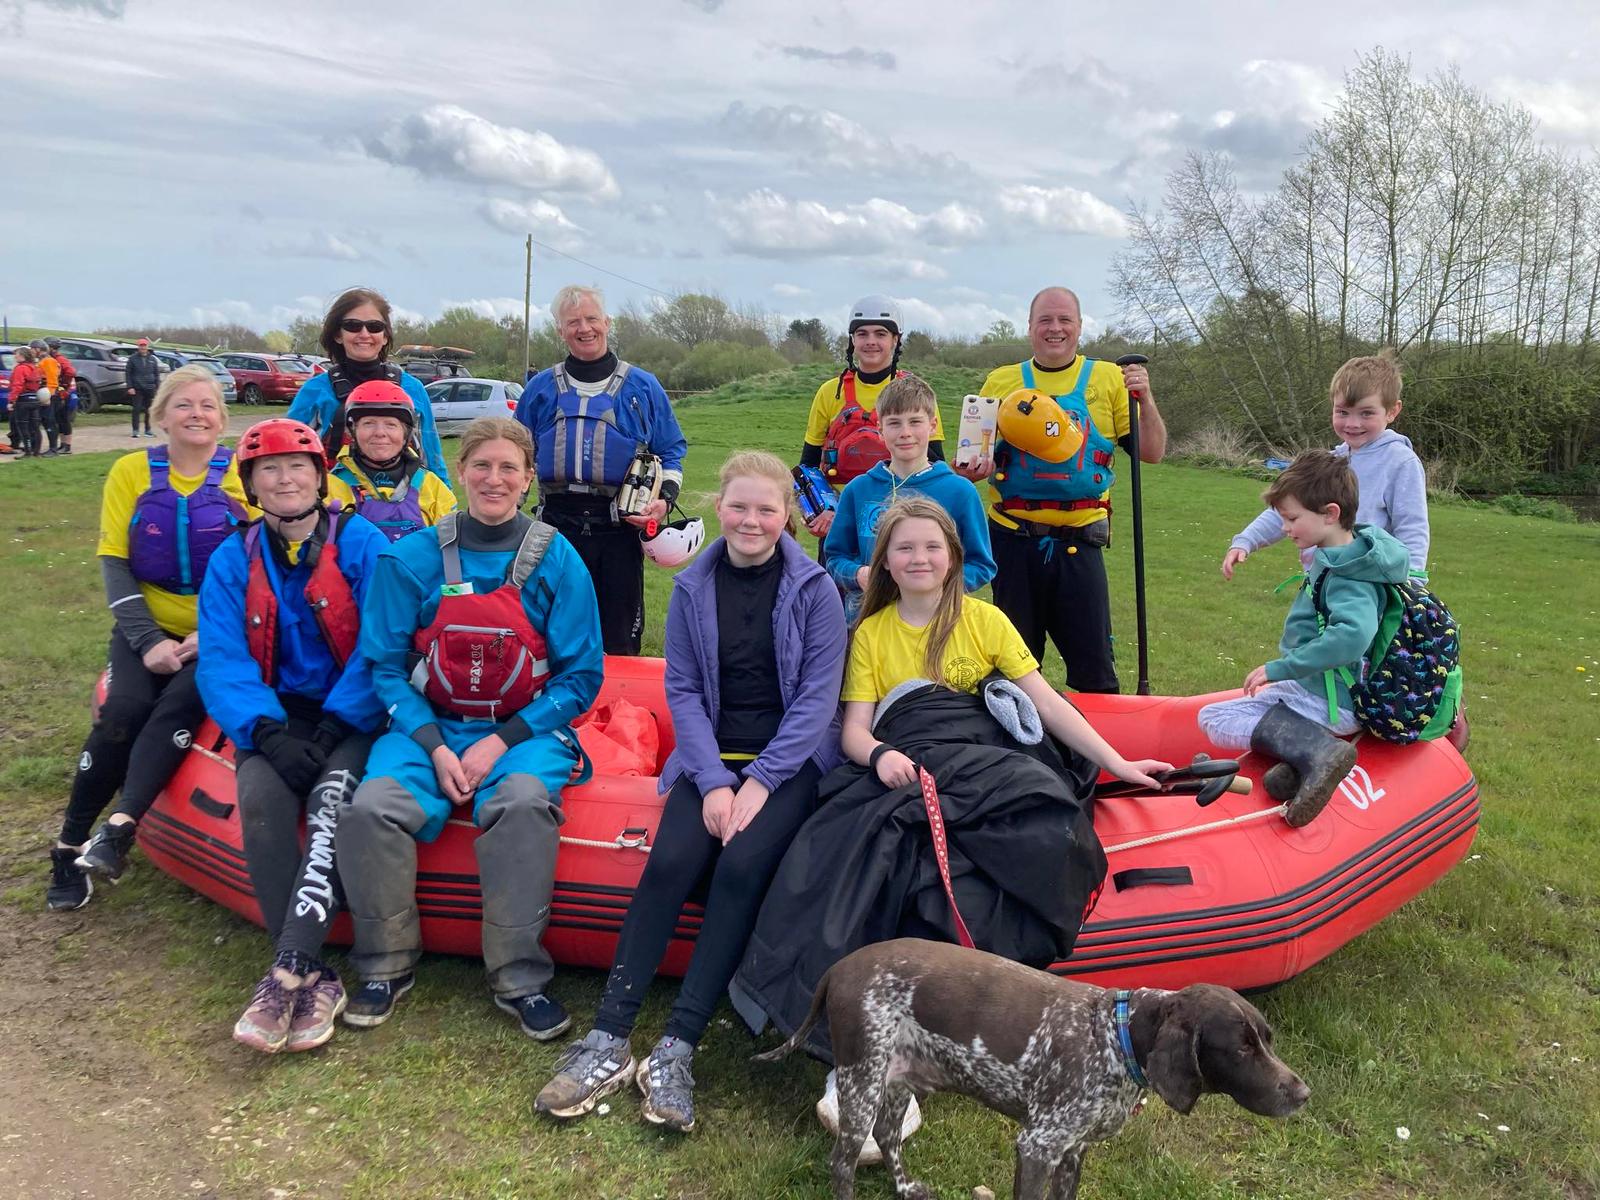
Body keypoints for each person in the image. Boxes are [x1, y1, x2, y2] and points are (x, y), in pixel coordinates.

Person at [737, 497, 1171, 1156]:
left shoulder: (985, 621)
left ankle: (927, 1040)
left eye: (932, 548)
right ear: (885, 561)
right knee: (871, 858)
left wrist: (1114, 762)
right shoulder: (874, 632)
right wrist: (882, 755)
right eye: (905, 549)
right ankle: (862, 1058)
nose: (920, 559)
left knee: (1038, 832)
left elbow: (1046, 702)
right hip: (906, 762)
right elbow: (855, 729)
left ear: (953, 558)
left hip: (987, 761)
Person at [534, 450, 847, 1132]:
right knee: (672, 861)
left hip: (788, 765)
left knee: (738, 866)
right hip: (710, 760)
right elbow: (681, 690)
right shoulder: (691, 588)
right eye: (739, 506)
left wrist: (759, 783)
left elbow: (819, 703)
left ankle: (677, 1046)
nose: (752, 520)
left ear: (786, 515)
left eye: (767, 509)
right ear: (718, 507)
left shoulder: (816, 590)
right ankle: (609, 1038)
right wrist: (710, 782)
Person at [336, 418, 602, 1037]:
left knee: (522, 800)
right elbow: (385, 666)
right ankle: (384, 963)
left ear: (528, 478)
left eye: (509, 468)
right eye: (482, 465)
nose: (494, 479)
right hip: (429, 726)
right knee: (372, 806)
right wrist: (430, 744)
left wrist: (501, 741)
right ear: (460, 473)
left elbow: (580, 678)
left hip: (523, 733)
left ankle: (520, 977)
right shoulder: (411, 559)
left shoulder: (557, 560)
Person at [196, 418, 389, 1053]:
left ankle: (288, 970)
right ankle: (312, 971)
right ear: (251, 484)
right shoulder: (235, 557)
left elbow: (380, 644)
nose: (285, 479)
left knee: (332, 797)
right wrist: (268, 735)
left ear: (318, 476)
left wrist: (338, 724)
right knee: (259, 799)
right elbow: (222, 659)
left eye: (297, 467)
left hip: (350, 715)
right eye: (269, 469)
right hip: (276, 718)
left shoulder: (361, 544)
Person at [48, 366, 248, 909]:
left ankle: (118, 830)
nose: (197, 415)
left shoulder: (239, 479)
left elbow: (261, 567)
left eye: (207, 406)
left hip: (219, 632)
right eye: (183, 405)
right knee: (124, 711)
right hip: (147, 624)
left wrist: (214, 634)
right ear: (161, 416)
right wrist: (146, 640)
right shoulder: (131, 473)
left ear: (222, 420)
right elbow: (115, 560)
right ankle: (68, 845)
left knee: (179, 705)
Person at [957, 287, 1166, 693]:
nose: (1055, 329)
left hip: (1080, 544)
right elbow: (970, 464)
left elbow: (1152, 453)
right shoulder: (1001, 381)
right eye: (1046, 320)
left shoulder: (1110, 378)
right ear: (1031, 327)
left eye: (1064, 320)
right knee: (1014, 672)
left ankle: (1097, 756)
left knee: (1095, 676)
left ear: (1080, 327)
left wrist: (1146, 399)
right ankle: (1021, 753)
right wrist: (971, 469)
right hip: (1012, 543)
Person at [1198, 451, 1409, 826]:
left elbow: (1353, 636)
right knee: (1222, 716)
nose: (1284, 528)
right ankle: (1298, 765)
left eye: (1292, 519)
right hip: (1316, 689)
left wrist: (1283, 667)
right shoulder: (1340, 555)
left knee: (1213, 719)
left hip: (1331, 700)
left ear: (1330, 513)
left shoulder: (1348, 575)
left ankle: (1320, 752)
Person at [514, 284, 687, 656]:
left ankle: (621, 714)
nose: (584, 328)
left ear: (607, 322)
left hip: (618, 533)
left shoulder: (642, 387)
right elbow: (515, 455)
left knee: (620, 640)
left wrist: (665, 501)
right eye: (573, 321)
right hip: (556, 530)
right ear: (560, 330)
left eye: (592, 318)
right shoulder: (540, 389)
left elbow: (671, 450)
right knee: (553, 635)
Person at [1223, 352, 1429, 578]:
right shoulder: (1330, 463)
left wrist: (1412, 583)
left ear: (1392, 411)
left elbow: (1412, 528)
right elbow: (1287, 510)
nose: (1352, 423)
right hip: (1320, 580)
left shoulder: (1400, 462)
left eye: (1366, 413)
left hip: (1370, 586)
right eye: (1342, 412)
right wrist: (1246, 540)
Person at [823, 372, 992, 622]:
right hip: (868, 619)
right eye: (894, 423)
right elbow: (835, 557)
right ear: (879, 429)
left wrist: (934, 584)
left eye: (915, 422)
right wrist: (858, 574)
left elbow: (981, 565)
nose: (905, 432)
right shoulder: (858, 490)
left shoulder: (960, 491)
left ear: (932, 425)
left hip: (936, 622)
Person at [799, 295, 945, 557]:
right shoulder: (830, 392)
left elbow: (934, 465)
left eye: (880, 334)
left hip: (900, 525)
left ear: (896, 339)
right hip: (840, 522)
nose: (871, 342)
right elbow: (808, 466)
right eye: (862, 334)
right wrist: (824, 510)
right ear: (852, 340)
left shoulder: (915, 392)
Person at [287, 286, 451, 483]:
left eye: (374, 326)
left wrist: (444, 503)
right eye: (353, 325)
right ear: (338, 334)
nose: (364, 334)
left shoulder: (412, 389)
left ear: (385, 336)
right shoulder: (315, 391)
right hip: (335, 505)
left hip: (404, 504)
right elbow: (288, 454)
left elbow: (432, 456)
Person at [326, 380, 457, 541]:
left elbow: (452, 549)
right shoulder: (330, 486)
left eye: (391, 424)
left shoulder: (430, 486)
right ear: (352, 431)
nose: (380, 433)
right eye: (368, 423)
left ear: (406, 433)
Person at [7, 344, 46, 459]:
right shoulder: (34, 367)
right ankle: (37, 452)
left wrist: (11, 401)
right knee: (35, 428)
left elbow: (17, 385)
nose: (15, 357)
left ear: (23, 356)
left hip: (23, 401)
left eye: (17, 355)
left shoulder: (20, 368)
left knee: (23, 427)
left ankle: (28, 452)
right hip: (34, 400)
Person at [43, 337, 77, 455]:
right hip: (57, 392)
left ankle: (66, 445)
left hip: (62, 393)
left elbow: (70, 372)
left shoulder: (60, 359)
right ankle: (62, 445)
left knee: (63, 419)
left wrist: (63, 383)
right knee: (58, 419)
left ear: (51, 348)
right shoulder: (51, 359)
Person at [125, 337, 162, 438]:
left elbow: (156, 374)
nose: (143, 348)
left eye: (144, 345)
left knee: (149, 410)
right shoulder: (132, 359)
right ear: (138, 347)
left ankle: (148, 430)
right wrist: (130, 387)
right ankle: (135, 430)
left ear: (147, 346)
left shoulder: (152, 359)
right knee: (136, 409)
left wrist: (157, 387)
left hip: (150, 388)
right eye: (141, 346)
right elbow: (128, 374)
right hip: (137, 388)